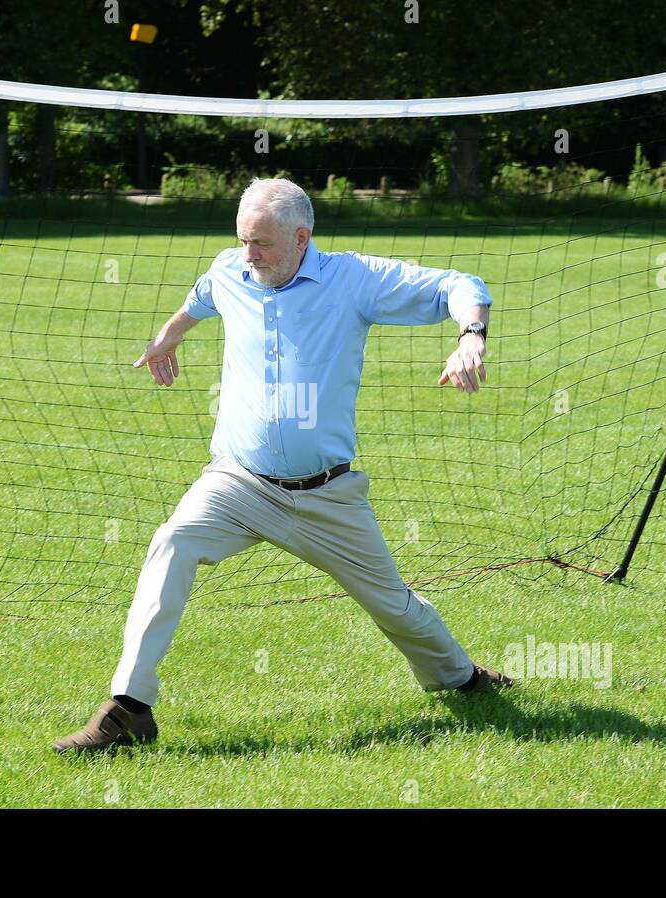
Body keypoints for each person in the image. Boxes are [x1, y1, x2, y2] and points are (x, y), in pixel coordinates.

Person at [52, 177, 512, 753]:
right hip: (238, 482)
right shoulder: (232, 269)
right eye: (243, 241)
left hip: (326, 495)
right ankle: (128, 709)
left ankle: (462, 678)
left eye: (262, 243)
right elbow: (201, 297)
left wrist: (471, 336)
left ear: (301, 238)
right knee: (172, 542)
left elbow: (459, 284)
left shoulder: (354, 279)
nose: (250, 256)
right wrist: (166, 338)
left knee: (393, 606)